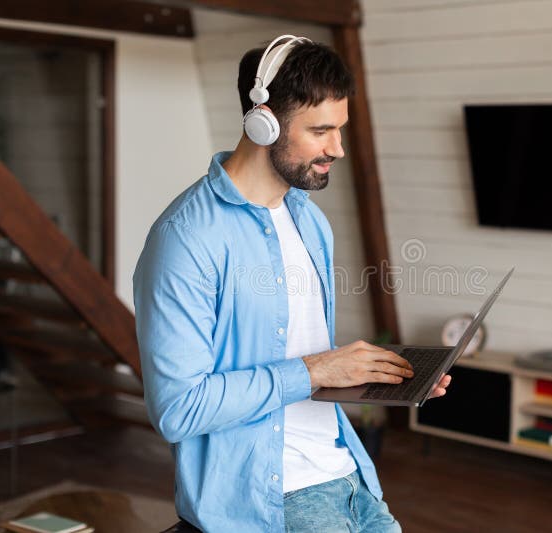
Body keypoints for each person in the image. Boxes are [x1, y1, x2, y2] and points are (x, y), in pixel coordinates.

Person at [133, 35, 451, 533]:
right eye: (321, 131)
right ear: (262, 121)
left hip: (349, 474)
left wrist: (381, 378)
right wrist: (316, 369)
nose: (337, 149)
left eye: (340, 130)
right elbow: (179, 409)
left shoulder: (308, 219)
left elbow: (305, 362)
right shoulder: (186, 238)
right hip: (273, 499)